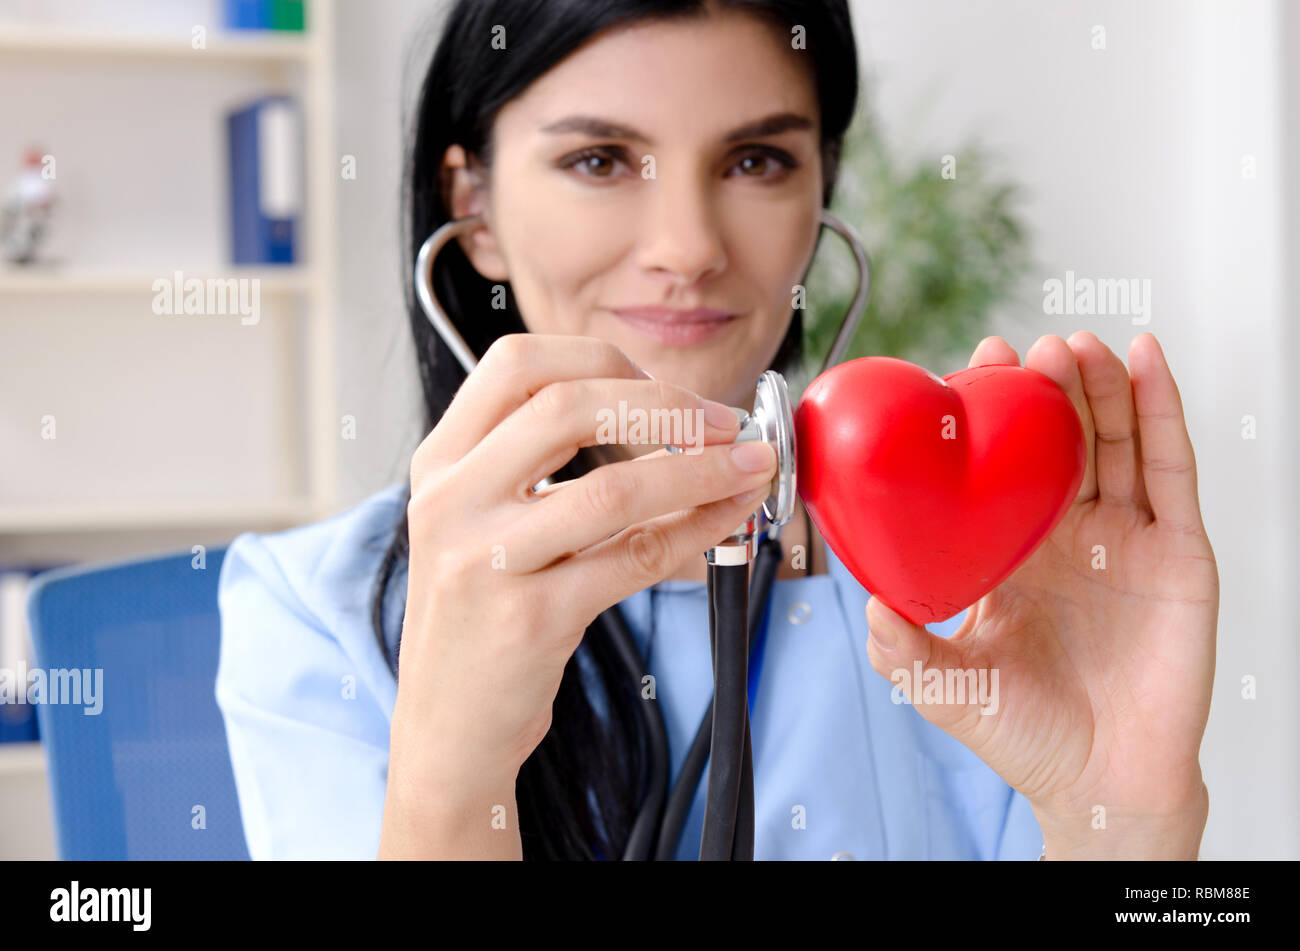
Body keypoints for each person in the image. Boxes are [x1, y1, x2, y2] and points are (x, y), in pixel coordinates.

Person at [214, 0, 1219, 861]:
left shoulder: (991, 586)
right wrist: (450, 772)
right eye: (600, 159)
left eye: (755, 159)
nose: (689, 248)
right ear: (472, 208)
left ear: (820, 188)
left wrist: (1130, 822)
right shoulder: (318, 614)